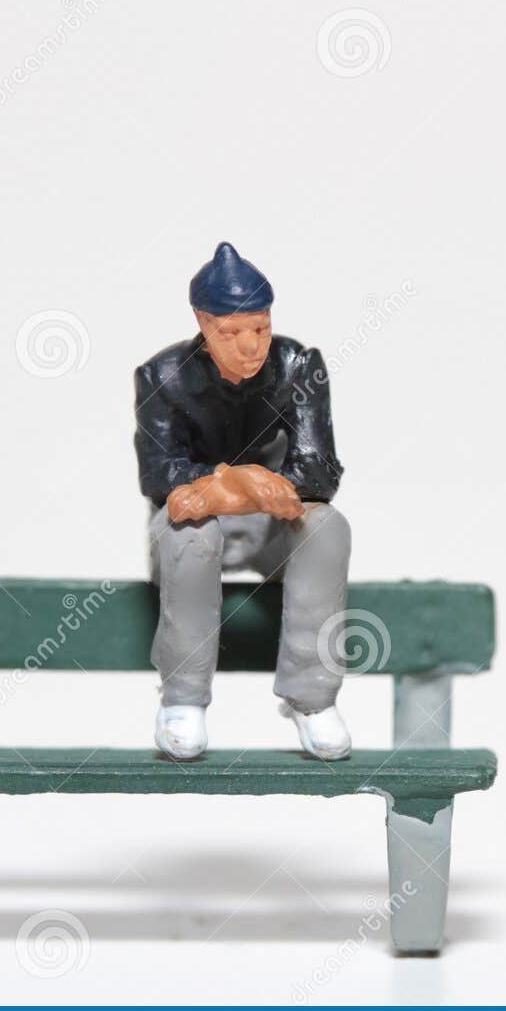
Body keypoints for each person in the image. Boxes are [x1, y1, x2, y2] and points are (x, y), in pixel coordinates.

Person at [133, 243, 351, 760]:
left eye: (260, 328)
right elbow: (161, 476)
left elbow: (318, 471)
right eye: (231, 333)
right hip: (197, 526)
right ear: (202, 325)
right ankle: (182, 700)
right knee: (190, 532)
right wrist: (246, 481)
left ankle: (313, 699)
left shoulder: (299, 366)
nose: (251, 346)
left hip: (274, 524)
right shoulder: (161, 377)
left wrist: (235, 485)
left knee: (327, 527)